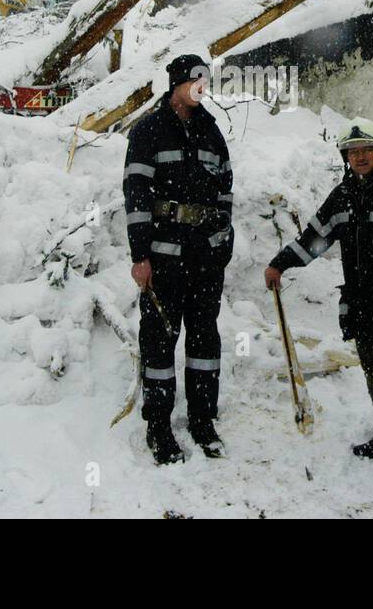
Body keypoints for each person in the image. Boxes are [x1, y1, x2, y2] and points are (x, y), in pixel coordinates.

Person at [264, 118, 373, 470]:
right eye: (353, 152)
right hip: (361, 306)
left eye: (366, 150)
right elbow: (315, 236)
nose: (359, 157)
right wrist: (280, 264)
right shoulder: (343, 196)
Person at [122, 54, 234, 464]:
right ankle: (159, 426)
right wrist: (140, 256)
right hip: (164, 261)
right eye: (195, 81)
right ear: (176, 85)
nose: (203, 88)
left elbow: (225, 191)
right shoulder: (149, 131)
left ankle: (203, 421)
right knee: (159, 344)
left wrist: (223, 240)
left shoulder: (211, 132)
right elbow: (136, 196)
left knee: (205, 341)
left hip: (205, 262)